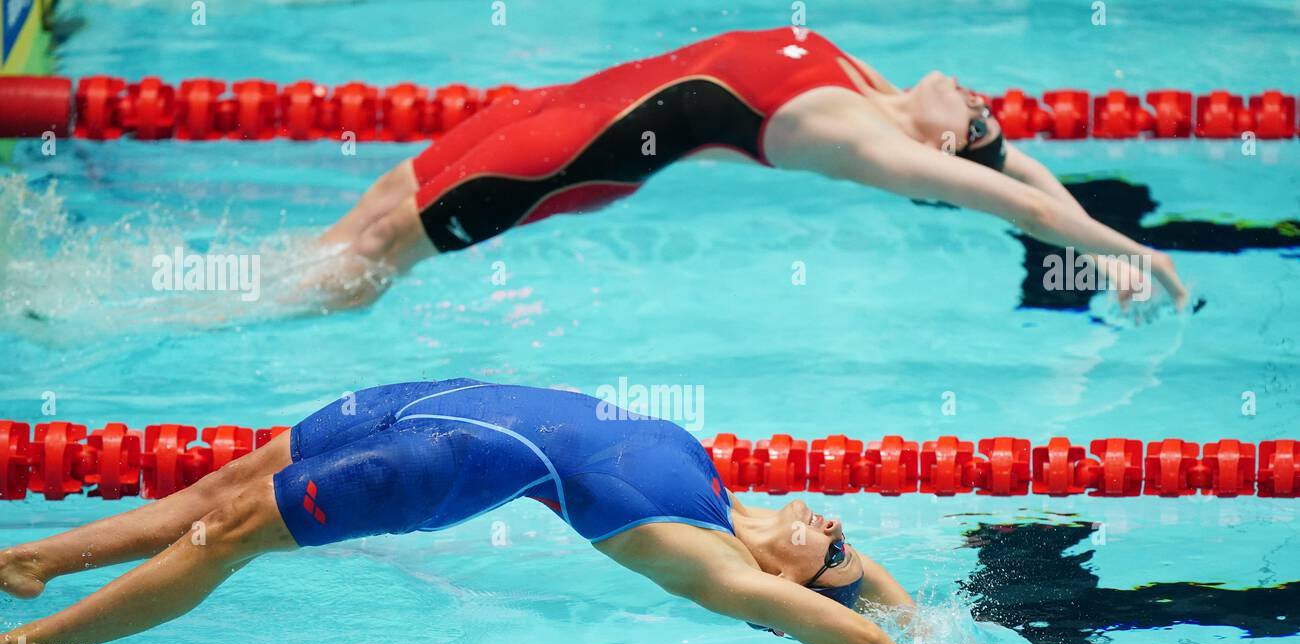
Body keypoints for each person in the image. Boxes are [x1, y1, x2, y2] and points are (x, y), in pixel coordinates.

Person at [0, 380, 915, 644]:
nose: (836, 526)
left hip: (433, 468)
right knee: (220, 487)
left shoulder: (716, 565)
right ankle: (35, 560)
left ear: (791, 589)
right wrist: (905, 603)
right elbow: (862, 587)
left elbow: (840, 626)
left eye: (830, 549)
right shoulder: (731, 502)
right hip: (430, 399)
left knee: (225, 536)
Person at [306, 26, 1188, 311]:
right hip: (549, 106)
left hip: (565, 158)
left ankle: (229, 312)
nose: (977, 92)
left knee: (378, 257)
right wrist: (1109, 255)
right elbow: (1026, 171)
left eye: (979, 114)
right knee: (377, 205)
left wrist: (1137, 256)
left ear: (945, 150)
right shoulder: (873, 87)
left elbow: (1019, 202)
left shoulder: (873, 144)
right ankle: (265, 281)